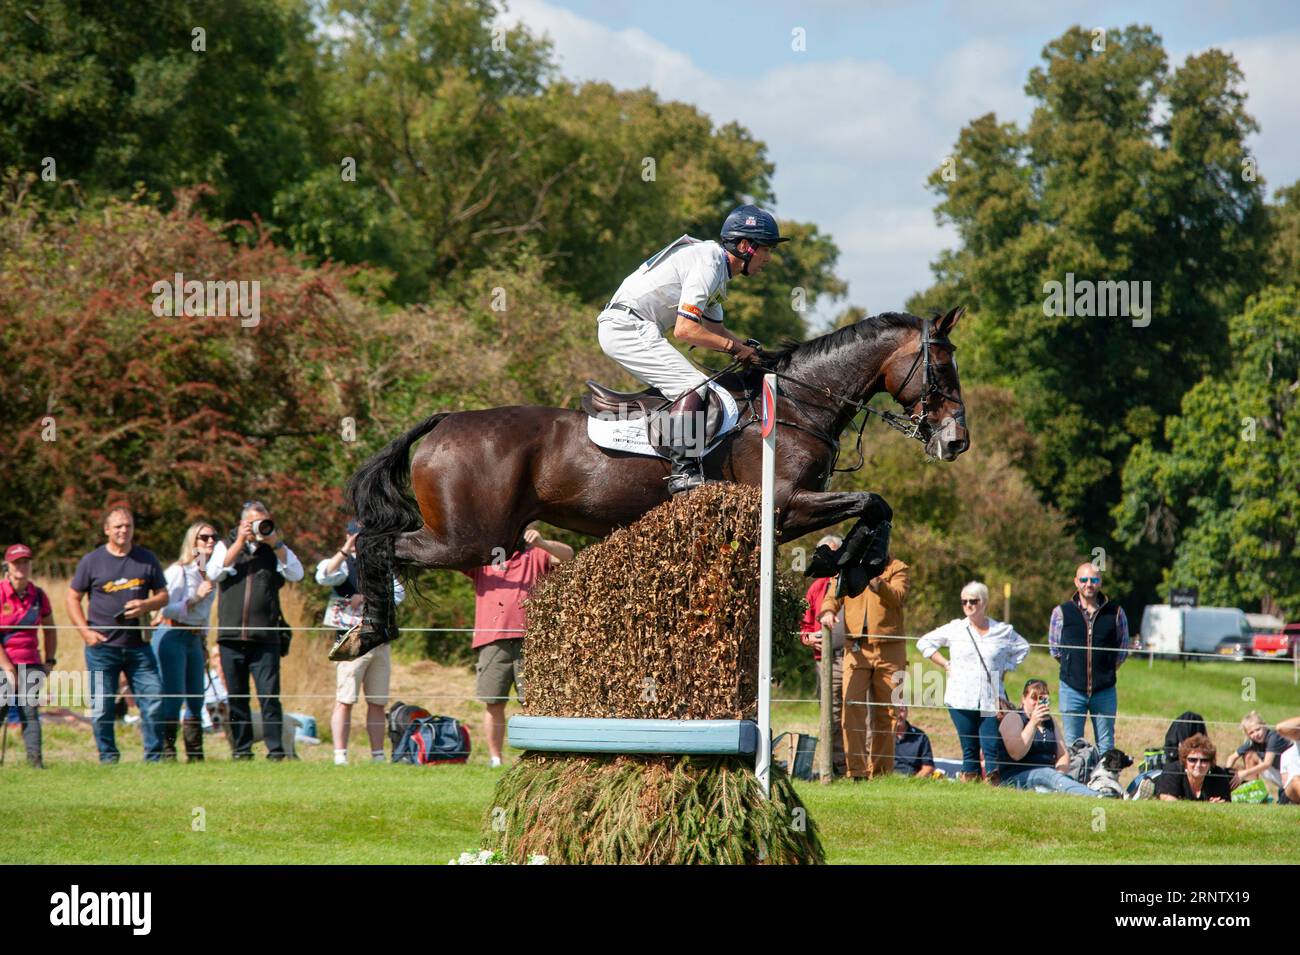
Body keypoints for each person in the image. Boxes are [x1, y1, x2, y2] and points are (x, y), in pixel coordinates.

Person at [597, 204, 787, 493]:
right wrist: (734, 349)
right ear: (746, 246)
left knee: (696, 384)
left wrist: (748, 349)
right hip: (626, 327)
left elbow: (714, 329)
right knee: (694, 386)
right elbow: (685, 330)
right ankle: (682, 472)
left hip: (634, 325)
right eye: (766, 249)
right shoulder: (708, 264)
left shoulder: (716, 270)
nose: (769, 258)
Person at [463, 523, 573, 767]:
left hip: (530, 641)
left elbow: (568, 555)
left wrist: (541, 542)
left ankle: (536, 757)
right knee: (493, 702)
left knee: (533, 702)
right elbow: (456, 556)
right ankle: (495, 759)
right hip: (492, 641)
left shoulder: (535, 555)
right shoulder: (485, 557)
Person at [66, 507, 169, 763]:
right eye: (118, 526)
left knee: (154, 700)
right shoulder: (92, 561)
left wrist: (146, 605)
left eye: (128, 526)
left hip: (139, 647)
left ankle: (154, 758)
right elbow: (72, 597)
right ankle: (108, 758)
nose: (124, 530)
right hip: (102, 647)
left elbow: (163, 595)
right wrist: (84, 632)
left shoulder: (146, 559)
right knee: (102, 707)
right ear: (107, 530)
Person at [206, 501, 303, 760]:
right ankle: (241, 751)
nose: (258, 527)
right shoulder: (225, 546)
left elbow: (296, 573)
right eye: (253, 522)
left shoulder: (272, 550)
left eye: (263, 521)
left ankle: (276, 751)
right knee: (237, 698)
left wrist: (276, 543)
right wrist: (239, 541)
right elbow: (214, 572)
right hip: (230, 637)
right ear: (241, 523)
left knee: (269, 698)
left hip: (266, 638)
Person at [917, 581, 1029, 783]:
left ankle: (994, 785)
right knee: (969, 747)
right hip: (961, 695)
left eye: (973, 601)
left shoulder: (1002, 630)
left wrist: (1005, 667)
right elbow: (924, 642)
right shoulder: (956, 629)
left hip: (990, 696)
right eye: (964, 601)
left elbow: (1023, 648)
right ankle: (970, 784)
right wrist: (945, 664)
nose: (968, 605)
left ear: (984, 602)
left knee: (990, 744)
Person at [316, 520, 406, 765]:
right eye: (359, 536)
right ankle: (339, 755)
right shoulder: (342, 563)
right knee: (345, 699)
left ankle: (378, 755)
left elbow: (398, 593)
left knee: (377, 701)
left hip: (378, 640)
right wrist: (347, 548)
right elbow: (324, 575)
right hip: (351, 642)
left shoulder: (382, 563)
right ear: (349, 536)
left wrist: (367, 597)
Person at [819, 553, 910, 780]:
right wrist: (828, 611)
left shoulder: (897, 567)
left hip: (890, 649)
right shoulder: (848, 567)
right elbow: (832, 594)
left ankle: (880, 774)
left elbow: (898, 597)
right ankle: (856, 772)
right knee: (852, 709)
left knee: (887, 713)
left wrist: (875, 579)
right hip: (856, 648)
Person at [153, 521, 219, 761]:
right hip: (172, 634)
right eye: (204, 537)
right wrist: (194, 598)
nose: (210, 541)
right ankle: (167, 751)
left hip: (194, 638)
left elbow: (206, 614)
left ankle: (195, 753)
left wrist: (204, 639)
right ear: (193, 542)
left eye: (214, 537)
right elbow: (163, 608)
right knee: (173, 695)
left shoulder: (209, 574)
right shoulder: (178, 571)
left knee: (196, 697)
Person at [1048, 561, 1129, 755]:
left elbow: (1122, 650)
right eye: (1084, 579)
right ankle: (1073, 783)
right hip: (1071, 689)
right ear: (1076, 582)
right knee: (1072, 744)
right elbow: (1055, 649)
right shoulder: (1061, 612)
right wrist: (1072, 665)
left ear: (1100, 582)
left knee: (1106, 744)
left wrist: (1106, 669)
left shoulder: (1116, 612)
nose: (1088, 584)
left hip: (1104, 690)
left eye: (1093, 579)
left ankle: (1104, 784)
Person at [0, 543, 56, 768]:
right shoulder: (1, 593)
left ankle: (36, 763)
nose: (21, 566)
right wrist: (7, 667)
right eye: (16, 562)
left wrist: (50, 661)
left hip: (31, 662)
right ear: (8, 566)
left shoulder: (39, 596)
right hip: (3, 661)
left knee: (30, 711)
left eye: (25, 562)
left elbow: (50, 629)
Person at [997, 679, 1101, 796]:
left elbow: (1063, 755)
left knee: (1048, 784)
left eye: (1042, 699)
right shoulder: (1014, 718)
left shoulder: (1049, 722)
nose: (1037, 703)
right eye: (1034, 698)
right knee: (1045, 774)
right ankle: (1096, 796)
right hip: (1016, 777)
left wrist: (1058, 776)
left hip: (1047, 777)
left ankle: (1093, 794)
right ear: (1023, 699)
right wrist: (1033, 722)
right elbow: (1016, 753)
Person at [799, 535, 844, 777]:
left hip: (858, 657)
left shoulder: (854, 580)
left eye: (830, 553)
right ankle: (836, 767)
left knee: (858, 712)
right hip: (826, 661)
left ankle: (860, 767)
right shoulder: (817, 586)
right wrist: (809, 638)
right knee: (831, 714)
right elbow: (804, 628)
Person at [1156, 733, 1232, 802]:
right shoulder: (1173, 770)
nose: (1198, 765)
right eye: (1192, 760)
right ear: (1185, 761)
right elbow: (1167, 799)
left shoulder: (1219, 775)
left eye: (1204, 760)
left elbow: (1225, 804)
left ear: (1210, 763)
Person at [1226, 711, 1289, 789]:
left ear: (1264, 725)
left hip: (1292, 773)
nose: (1256, 734)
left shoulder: (1274, 737)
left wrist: (1244, 773)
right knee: (1249, 756)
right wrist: (1227, 776)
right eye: (1251, 733)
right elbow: (1232, 757)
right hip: (1279, 773)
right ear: (1247, 735)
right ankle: (1254, 792)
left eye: (1258, 729)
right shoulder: (1252, 742)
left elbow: (1267, 763)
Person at [892, 705, 935, 778]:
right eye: (895, 710)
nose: (898, 714)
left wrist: (912, 782)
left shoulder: (920, 737)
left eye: (902, 710)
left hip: (912, 780)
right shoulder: (881, 735)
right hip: (887, 780)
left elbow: (928, 767)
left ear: (907, 711)